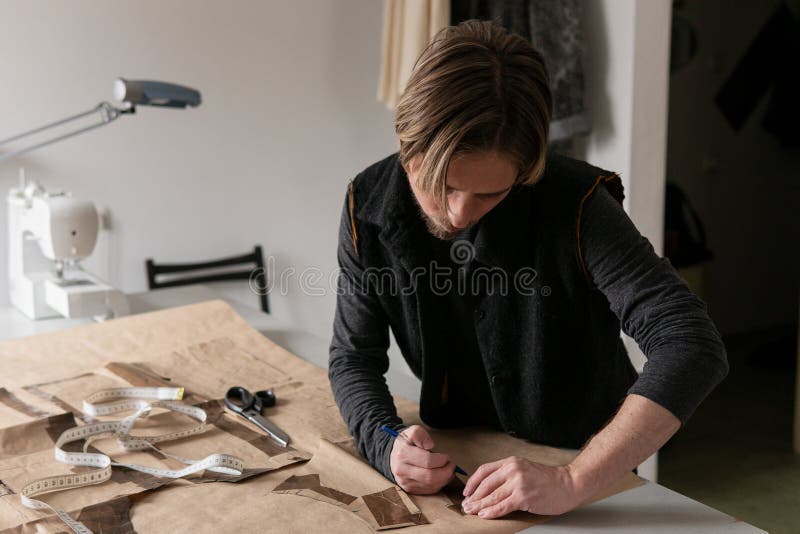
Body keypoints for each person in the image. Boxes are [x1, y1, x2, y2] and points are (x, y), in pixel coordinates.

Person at [328, 20, 728, 519]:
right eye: (444, 186)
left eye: (489, 194)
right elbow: (353, 358)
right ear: (408, 151)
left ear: (525, 170)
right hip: (456, 455)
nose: (457, 215)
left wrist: (574, 479)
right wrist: (384, 442)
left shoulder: (577, 205)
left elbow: (691, 344)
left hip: (587, 461)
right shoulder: (366, 204)